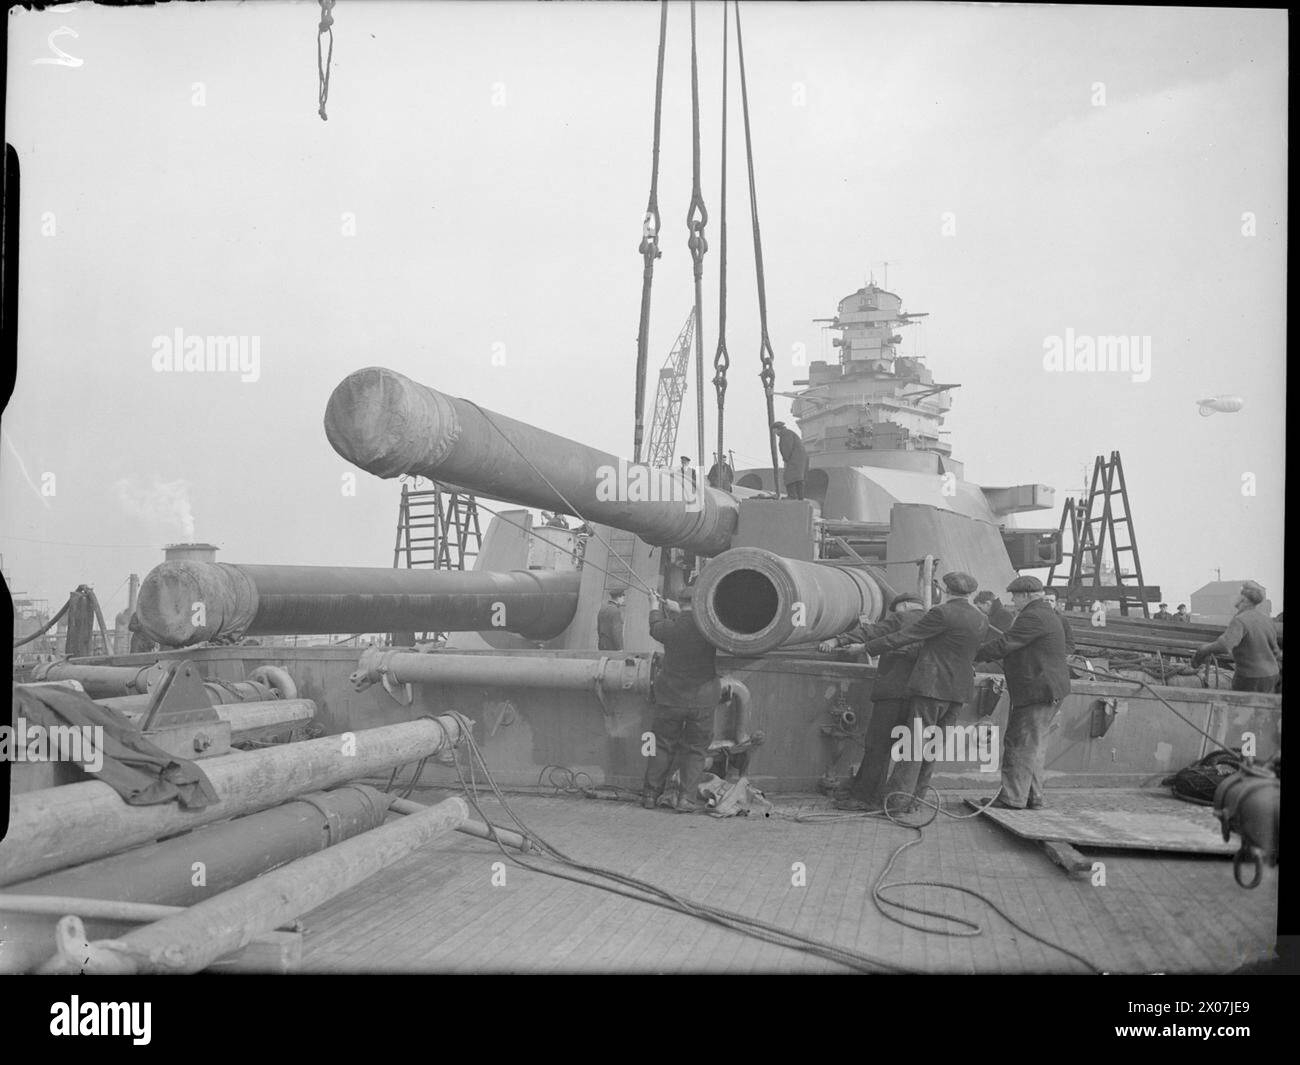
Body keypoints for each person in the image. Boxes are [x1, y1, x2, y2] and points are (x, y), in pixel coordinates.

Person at [862, 572, 988, 813]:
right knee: (933, 747)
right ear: (971, 593)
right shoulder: (980, 618)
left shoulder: (941, 613)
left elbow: (905, 636)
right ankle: (916, 801)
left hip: (932, 688)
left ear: (944, 589)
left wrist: (867, 646)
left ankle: (896, 804)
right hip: (959, 691)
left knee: (914, 746)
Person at [817, 593, 926, 811]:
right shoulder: (934, 620)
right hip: (921, 695)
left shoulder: (901, 618)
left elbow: (871, 631)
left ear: (902, 606)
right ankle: (904, 799)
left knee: (878, 745)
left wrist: (837, 640)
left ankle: (865, 797)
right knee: (913, 750)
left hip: (893, 692)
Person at [975, 575, 1072, 810]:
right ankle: (1033, 796)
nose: (1012, 600)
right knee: (1035, 746)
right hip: (1049, 689)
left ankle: (1012, 797)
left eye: (1014, 596)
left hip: (1036, 690)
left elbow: (1005, 644)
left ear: (1026, 596)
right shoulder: (1048, 614)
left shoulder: (1033, 616)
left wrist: (970, 654)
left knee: (1019, 743)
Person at [643, 584, 722, 813]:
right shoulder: (710, 630)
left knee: (662, 745)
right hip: (702, 699)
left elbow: (655, 626)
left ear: (681, 603)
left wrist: (654, 605)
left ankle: (650, 795)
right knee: (696, 749)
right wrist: (681, 611)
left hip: (670, 697)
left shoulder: (671, 629)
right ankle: (686, 799)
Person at [1192, 582, 1281, 693]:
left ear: (1244, 599)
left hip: (1250, 678)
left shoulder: (1240, 620)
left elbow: (1224, 645)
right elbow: (1275, 651)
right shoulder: (1267, 619)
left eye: (1236, 594)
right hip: (1271, 675)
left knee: (1241, 708)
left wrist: (1203, 649)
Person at [772, 421, 809, 500]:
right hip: (800, 459)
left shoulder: (785, 434)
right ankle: (800, 497)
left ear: (777, 429)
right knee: (799, 478)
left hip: (793, 459)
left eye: (774, 431)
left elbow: (786, 448)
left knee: (789, 476)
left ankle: (792, 496)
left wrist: (786, 459)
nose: (774, 433)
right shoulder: (789, 433)